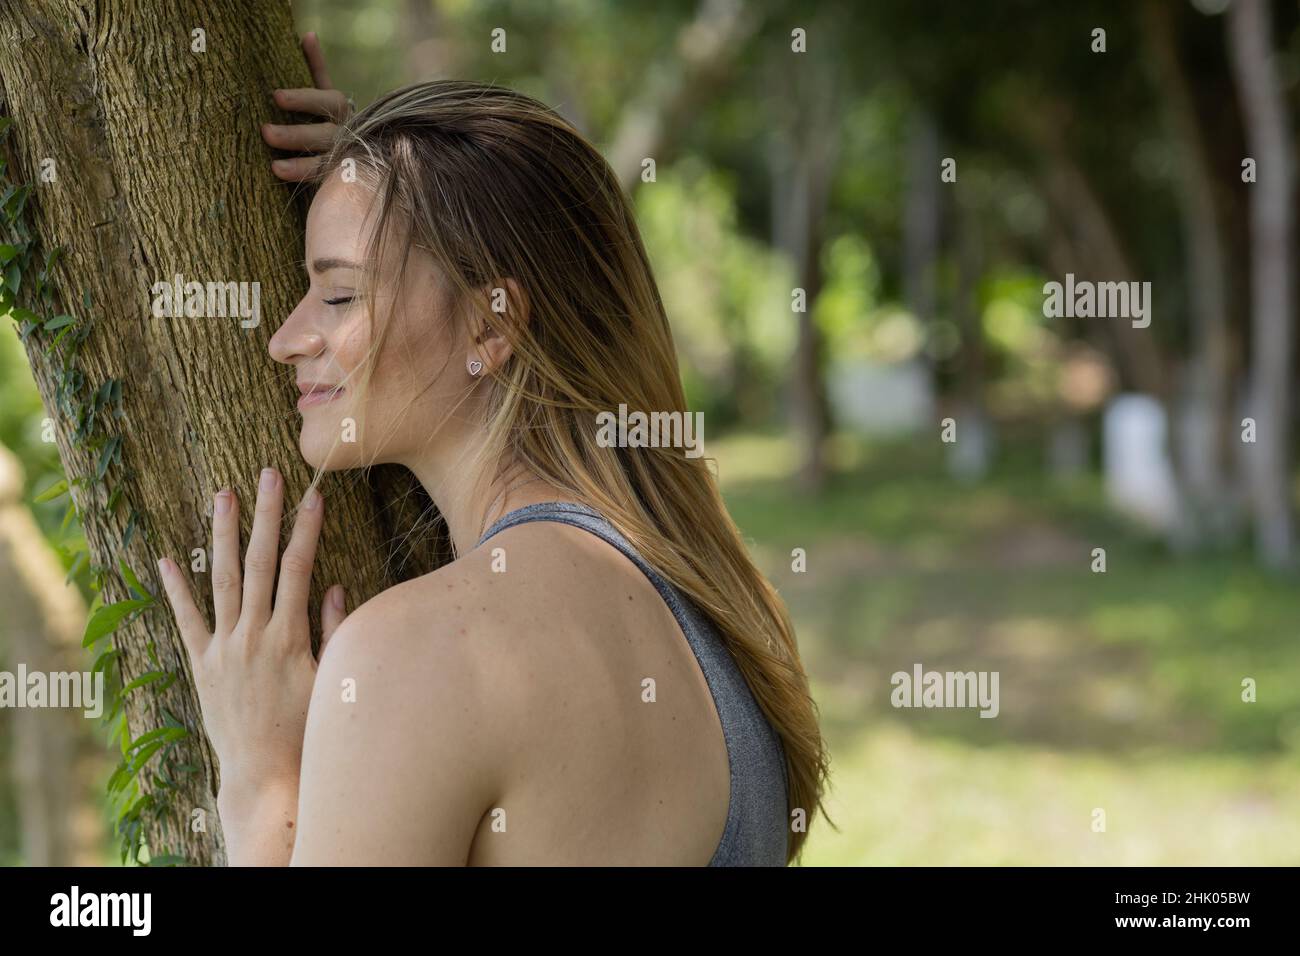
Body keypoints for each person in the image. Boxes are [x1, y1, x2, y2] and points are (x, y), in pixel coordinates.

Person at [157, 33, 828, 866]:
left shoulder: (419, 658)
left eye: (336, 293)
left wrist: (263, 795)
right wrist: (378, 179)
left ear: (491, 321)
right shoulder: (716, 622)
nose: (287, 339)